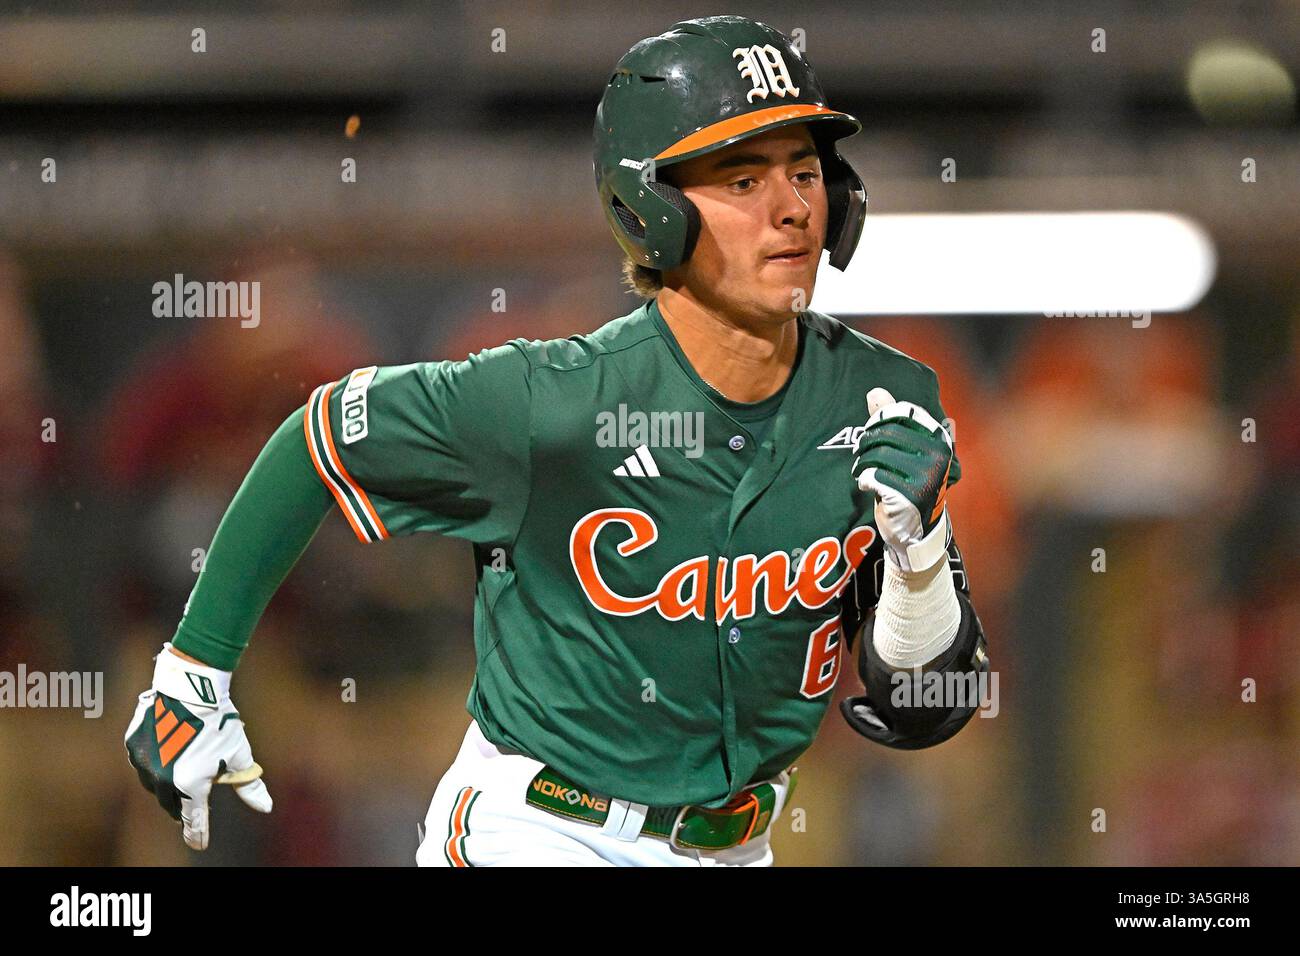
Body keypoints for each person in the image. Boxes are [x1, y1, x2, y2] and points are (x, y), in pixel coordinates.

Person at [125, 15, 989, 867]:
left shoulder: (885, 399)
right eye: (741, 181)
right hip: (540, 832)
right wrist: (195, 668)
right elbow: (321, 437)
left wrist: (921, 557)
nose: (792, 207)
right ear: (649, 206)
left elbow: (919, 704)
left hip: (742, 846)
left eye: (805, 171)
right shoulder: (554, 399)